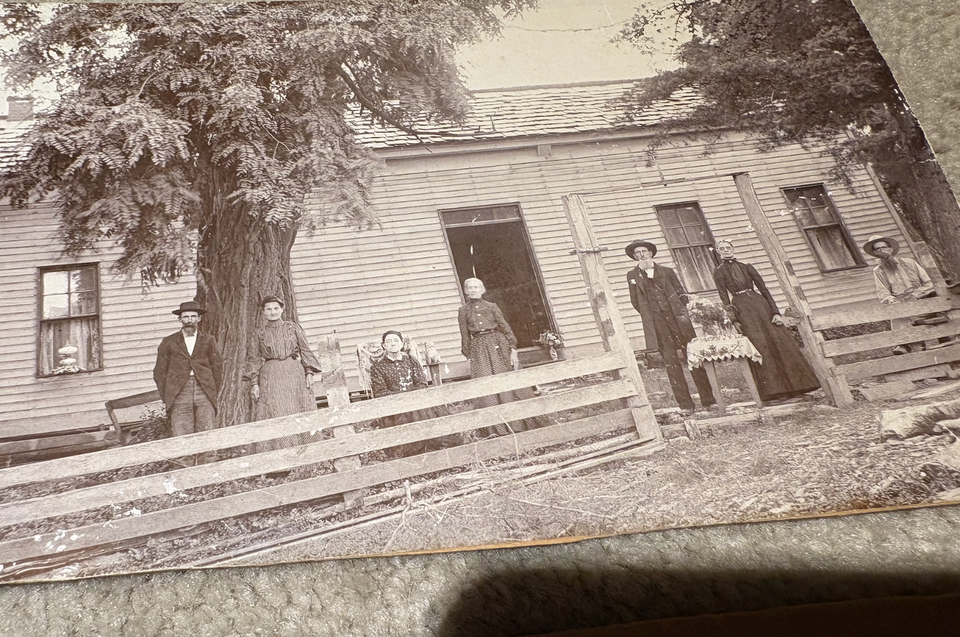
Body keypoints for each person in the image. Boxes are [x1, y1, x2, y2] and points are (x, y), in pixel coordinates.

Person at [712, 239, 820, 402]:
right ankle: (774, 392)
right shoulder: (719, 271)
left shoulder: (747, 267)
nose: (726, 250)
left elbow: (764, 289)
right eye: (722, 249)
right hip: (742, 309)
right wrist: (733, 319)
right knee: (760, 346)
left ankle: (799, 387)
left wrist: (775, 312)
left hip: (762, 306)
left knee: (780, 343)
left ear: (733, 249)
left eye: (728, 247)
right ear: (718, 252)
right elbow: (723, 296)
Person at [625, 240, 715, 413]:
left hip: (677, 320)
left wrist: (680, 313)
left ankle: (708, 400)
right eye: (638, 253)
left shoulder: (667, 271)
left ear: (651, 253)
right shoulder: (632, 275)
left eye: (644, 251)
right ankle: (686, 405)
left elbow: (681, 293)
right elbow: (635, 301)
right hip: (658, 323)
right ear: (634, 256)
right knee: (671, 363)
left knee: (693, 357)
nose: (642, 255)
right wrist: (652, 314)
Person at [458, 277, 548, 435]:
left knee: (508, 379)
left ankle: (520, 424)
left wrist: (513, 348)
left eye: (476, 287)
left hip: (498, 344)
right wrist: (469, 356)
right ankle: (496, 429)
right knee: (486, 384)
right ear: (465, 291)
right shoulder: (463, 311)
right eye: (469, 287)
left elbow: (504, 326)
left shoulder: (492, 306)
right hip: (478, 348)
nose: (473, 290)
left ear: (482, 289)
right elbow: (465, 335)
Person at [244, 295, 322, 452]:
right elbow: (253, 359)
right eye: (268, 309)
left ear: (282, 309)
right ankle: (278, 458)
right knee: (275, 411)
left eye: (276, 308)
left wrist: (309, 373)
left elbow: (305, 350)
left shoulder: (293, 328)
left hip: (294, 374)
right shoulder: (259, 334)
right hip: (270, 377)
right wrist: (254, 383)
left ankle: (310, 454)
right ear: (263, 312)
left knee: (299, 407)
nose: (273, 312)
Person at [153, 300, 223, 464]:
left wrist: (211, 390)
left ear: (199, 319)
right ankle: (186, 475)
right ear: (180, 320)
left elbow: (217, 368)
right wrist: (169, 395)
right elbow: (159, 372)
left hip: (204, 390)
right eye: (186, 317)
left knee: (207, 431)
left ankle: (209, 473)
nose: (189, 320)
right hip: (179, 392)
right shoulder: (169, 342)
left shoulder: (208, 340)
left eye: (193, 316)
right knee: (182, 433)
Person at [862, 235, 954, 354]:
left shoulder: (910, 263)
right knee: (899, 315)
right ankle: (905, 345)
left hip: (922, 302)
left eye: (883, 247)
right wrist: (894, 301)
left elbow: (929, 283)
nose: (881, 251)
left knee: (913, 316)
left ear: (890, 249)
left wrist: (916, 294)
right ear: (875, 253)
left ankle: (912, 345)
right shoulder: (879, 270)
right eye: (877, 249)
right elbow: (883, 293)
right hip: (901, 305)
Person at [369, 330, 450, 456]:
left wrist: (411, 398)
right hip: (395, 408)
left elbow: (422, 384)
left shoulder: (411, 361)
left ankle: (436, 452)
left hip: (416, 402)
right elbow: (380, 392)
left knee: (435, 418)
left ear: (401, 344)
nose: (392, 344)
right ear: (384, 346)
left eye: (396, 341)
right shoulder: (378, 367)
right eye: (388, 342)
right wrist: (402, 400)